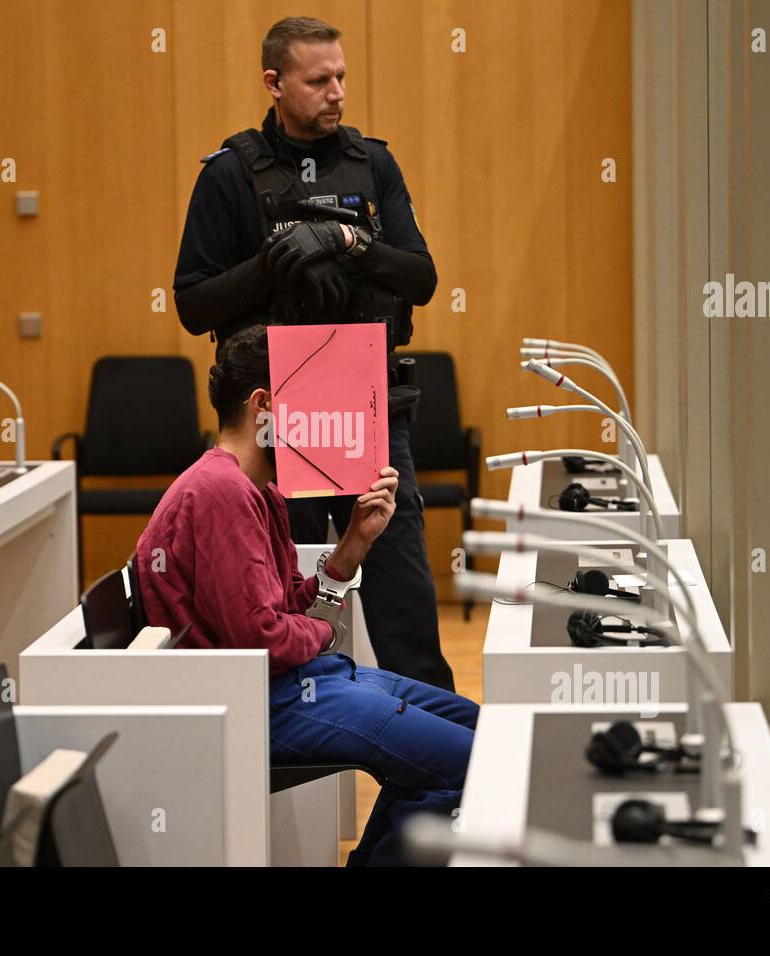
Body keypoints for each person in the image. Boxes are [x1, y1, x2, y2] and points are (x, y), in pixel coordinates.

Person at [173, 15, 454, 691]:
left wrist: (348, 244)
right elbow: (192, 305)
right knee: (286, 600)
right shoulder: (230, 176)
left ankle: (445, 782)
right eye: (318, 79)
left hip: (369, 407)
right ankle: (306, 744)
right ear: (274, 84)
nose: (336, 92)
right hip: (274, 422)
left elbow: (421, 278)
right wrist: (273, 264)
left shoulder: (372, 163)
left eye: (342, 77)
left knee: (406, 614)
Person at [135, 325, 478, 866]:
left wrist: (352, 546)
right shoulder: (221, 492)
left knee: (478, 729)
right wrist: (321, 633)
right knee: (473, 763)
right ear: (265, 405)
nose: (317, 421)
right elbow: (264, 637)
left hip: (298, 684)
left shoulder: (255, 487)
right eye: (308, 401)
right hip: (263, 702)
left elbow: (288, 602)